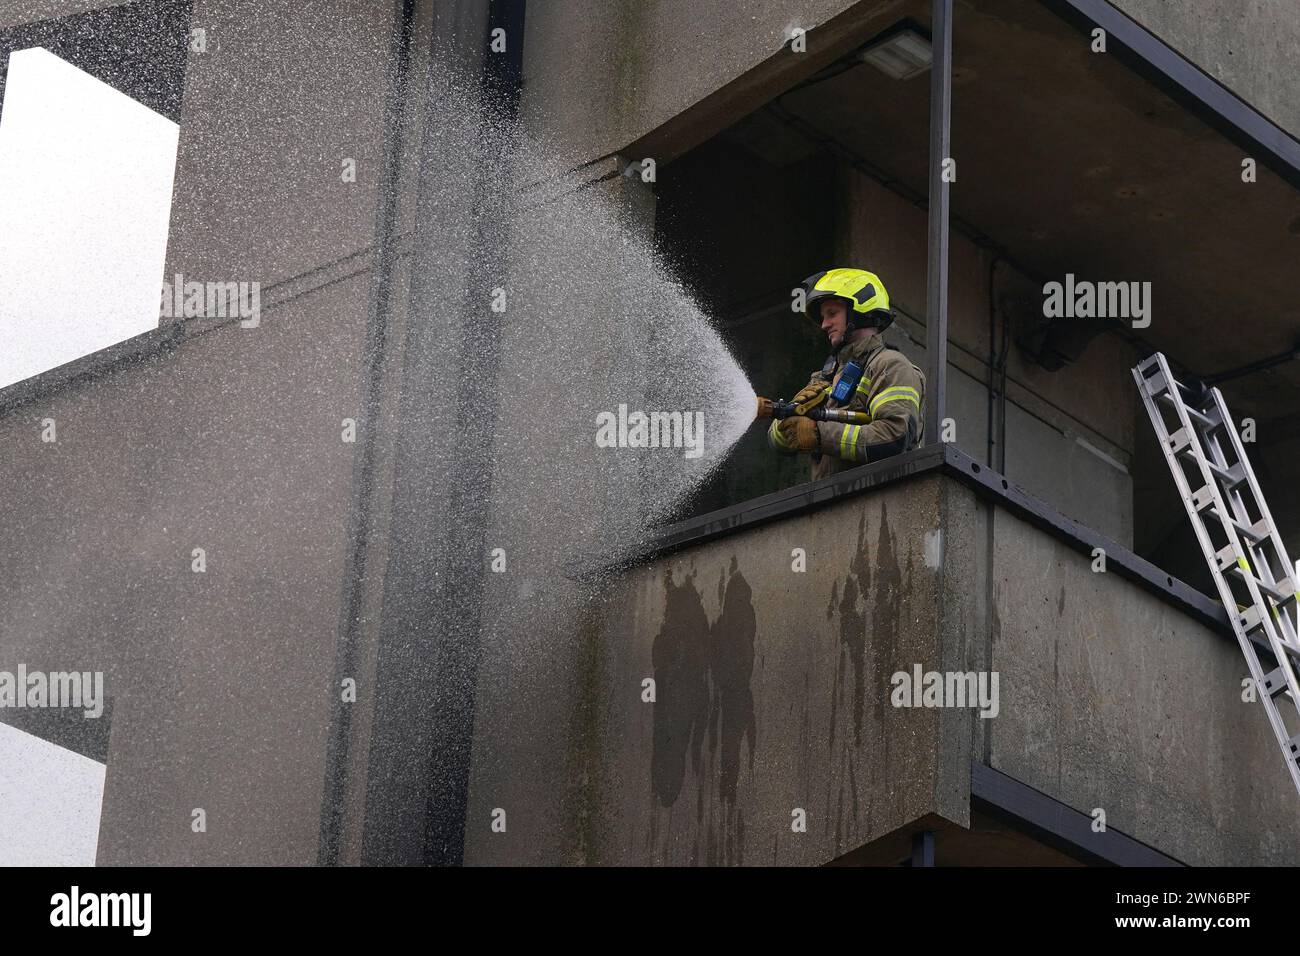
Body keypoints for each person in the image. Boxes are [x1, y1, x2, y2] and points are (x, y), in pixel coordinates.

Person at [768, 267, 926, 479]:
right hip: (831, 505)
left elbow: (894, 437)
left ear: (860, 311)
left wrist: (818, 434)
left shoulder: (889, 366)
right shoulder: (826, 377)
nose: (824, 324)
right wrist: (791, 415)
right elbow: (779, 442)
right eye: (823, 317)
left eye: (832, 314)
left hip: (878, 503)